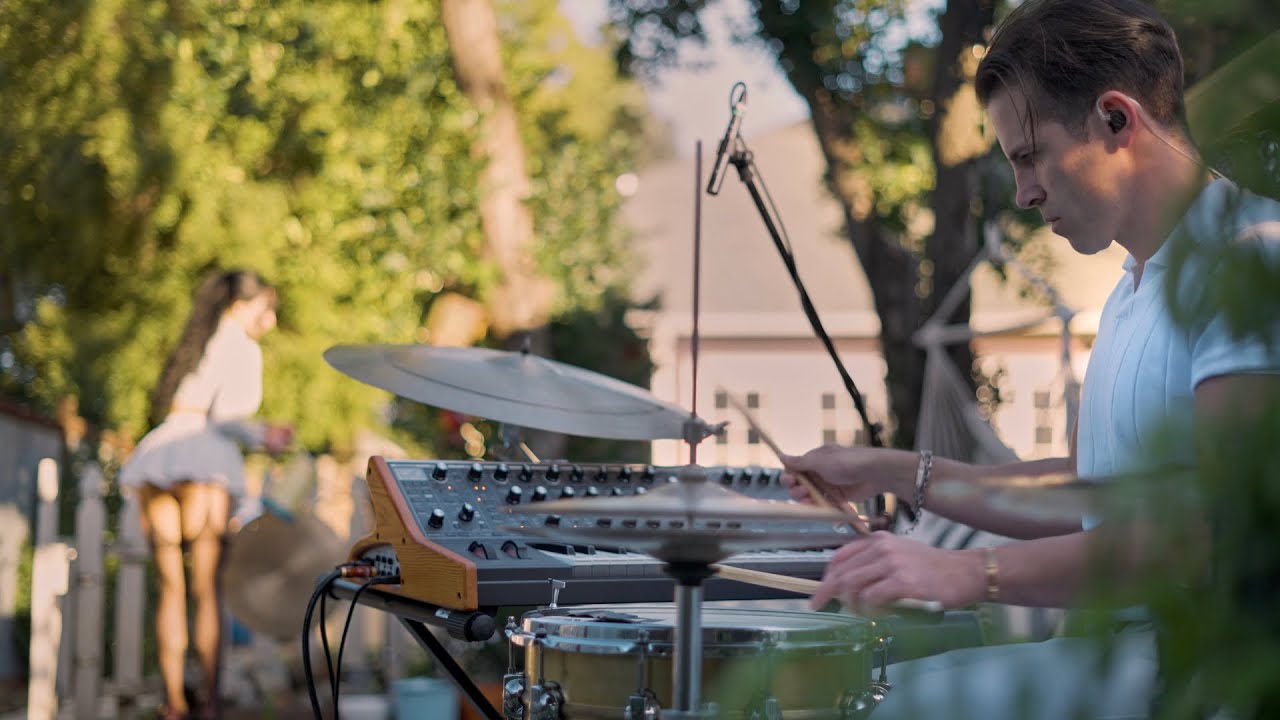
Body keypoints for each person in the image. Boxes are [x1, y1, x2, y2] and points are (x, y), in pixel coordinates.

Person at [780, 0, 1280, 717]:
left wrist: (963, 572)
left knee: (885, 704)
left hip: (1207, 676)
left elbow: (1200, 534)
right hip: (1126, 658)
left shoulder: (1252, 256)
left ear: (1116, 120)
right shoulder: (1132, 290)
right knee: (865, 690)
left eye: (1029, 155)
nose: (1024, 193)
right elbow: (1085, 495)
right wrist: (891, 471)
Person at [119, 269, 293, 720]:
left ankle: (175, 704)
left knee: (171, 588)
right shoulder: (242, 347)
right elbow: (226, 417)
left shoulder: (195, 341)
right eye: (265, 308)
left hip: (158, 457)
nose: (269, 320)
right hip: (204, 460)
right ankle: (211, 707)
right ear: (239, 306)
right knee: (206, 590)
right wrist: (266, 435)